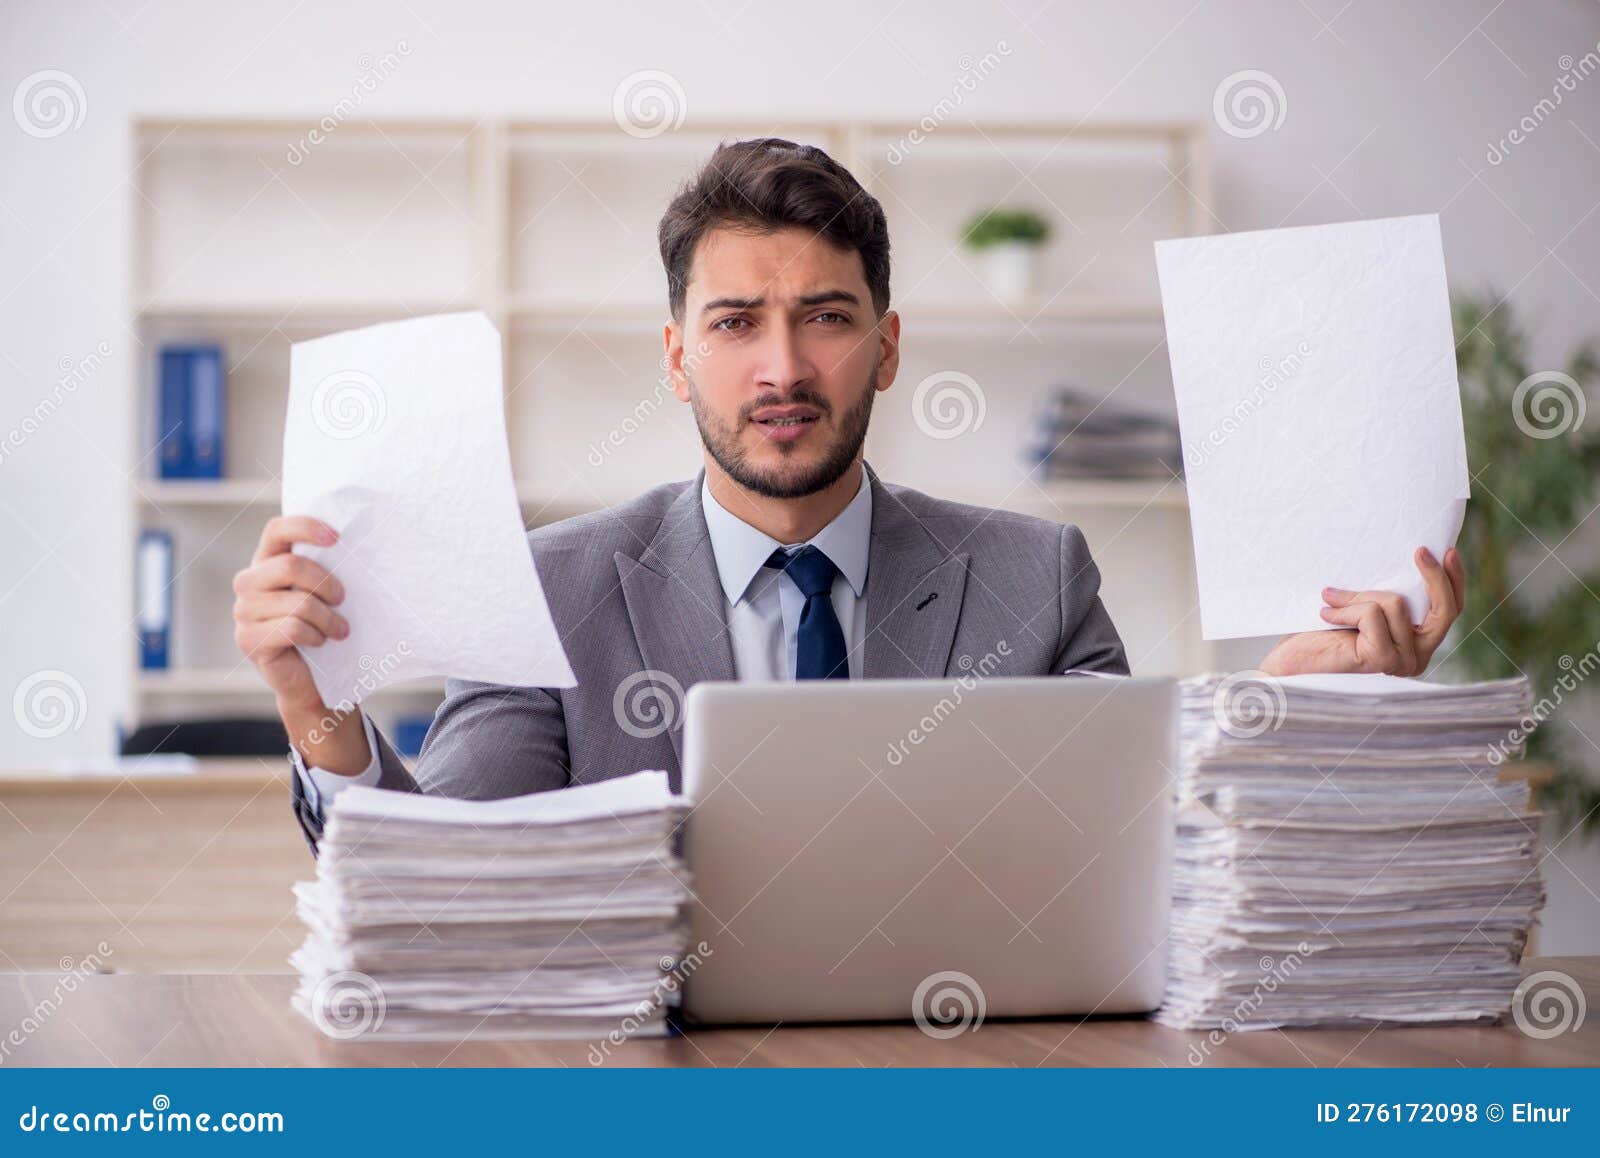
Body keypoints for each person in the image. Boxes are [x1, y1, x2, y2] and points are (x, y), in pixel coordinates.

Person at [230, 138, 1467, 852]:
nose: (782, 369)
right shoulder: (554, 590)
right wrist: (319, 713)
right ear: (676, 358)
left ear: (885, 348)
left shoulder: (1033, 580)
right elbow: (447, 872)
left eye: (825, 318)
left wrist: (1285, 705)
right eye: (735, 324)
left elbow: (1147, 833)